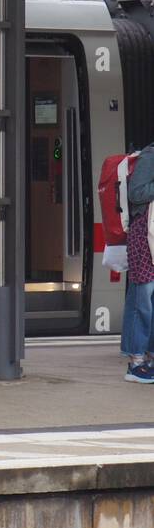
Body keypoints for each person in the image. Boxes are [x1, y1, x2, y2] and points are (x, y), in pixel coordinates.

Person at [120, 139, 154, 382]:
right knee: (142, 300)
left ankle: (148, 356)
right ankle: (136, 361)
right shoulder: (150, 157)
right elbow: (136, 193)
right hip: (145, 237)